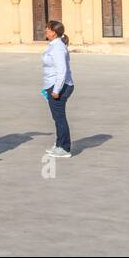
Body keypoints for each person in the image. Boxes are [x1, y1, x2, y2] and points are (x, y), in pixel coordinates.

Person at [42, 19, 74, 158]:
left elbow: (61, 71)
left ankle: (65, 148)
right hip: (53, 85)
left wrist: (56, 90)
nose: (46, 31)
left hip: (60, 87)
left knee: (60, 118)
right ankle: (59, 144)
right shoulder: (54, 45)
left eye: (48, 29)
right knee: (57, 117)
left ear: (54, 33)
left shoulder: (58, 48)